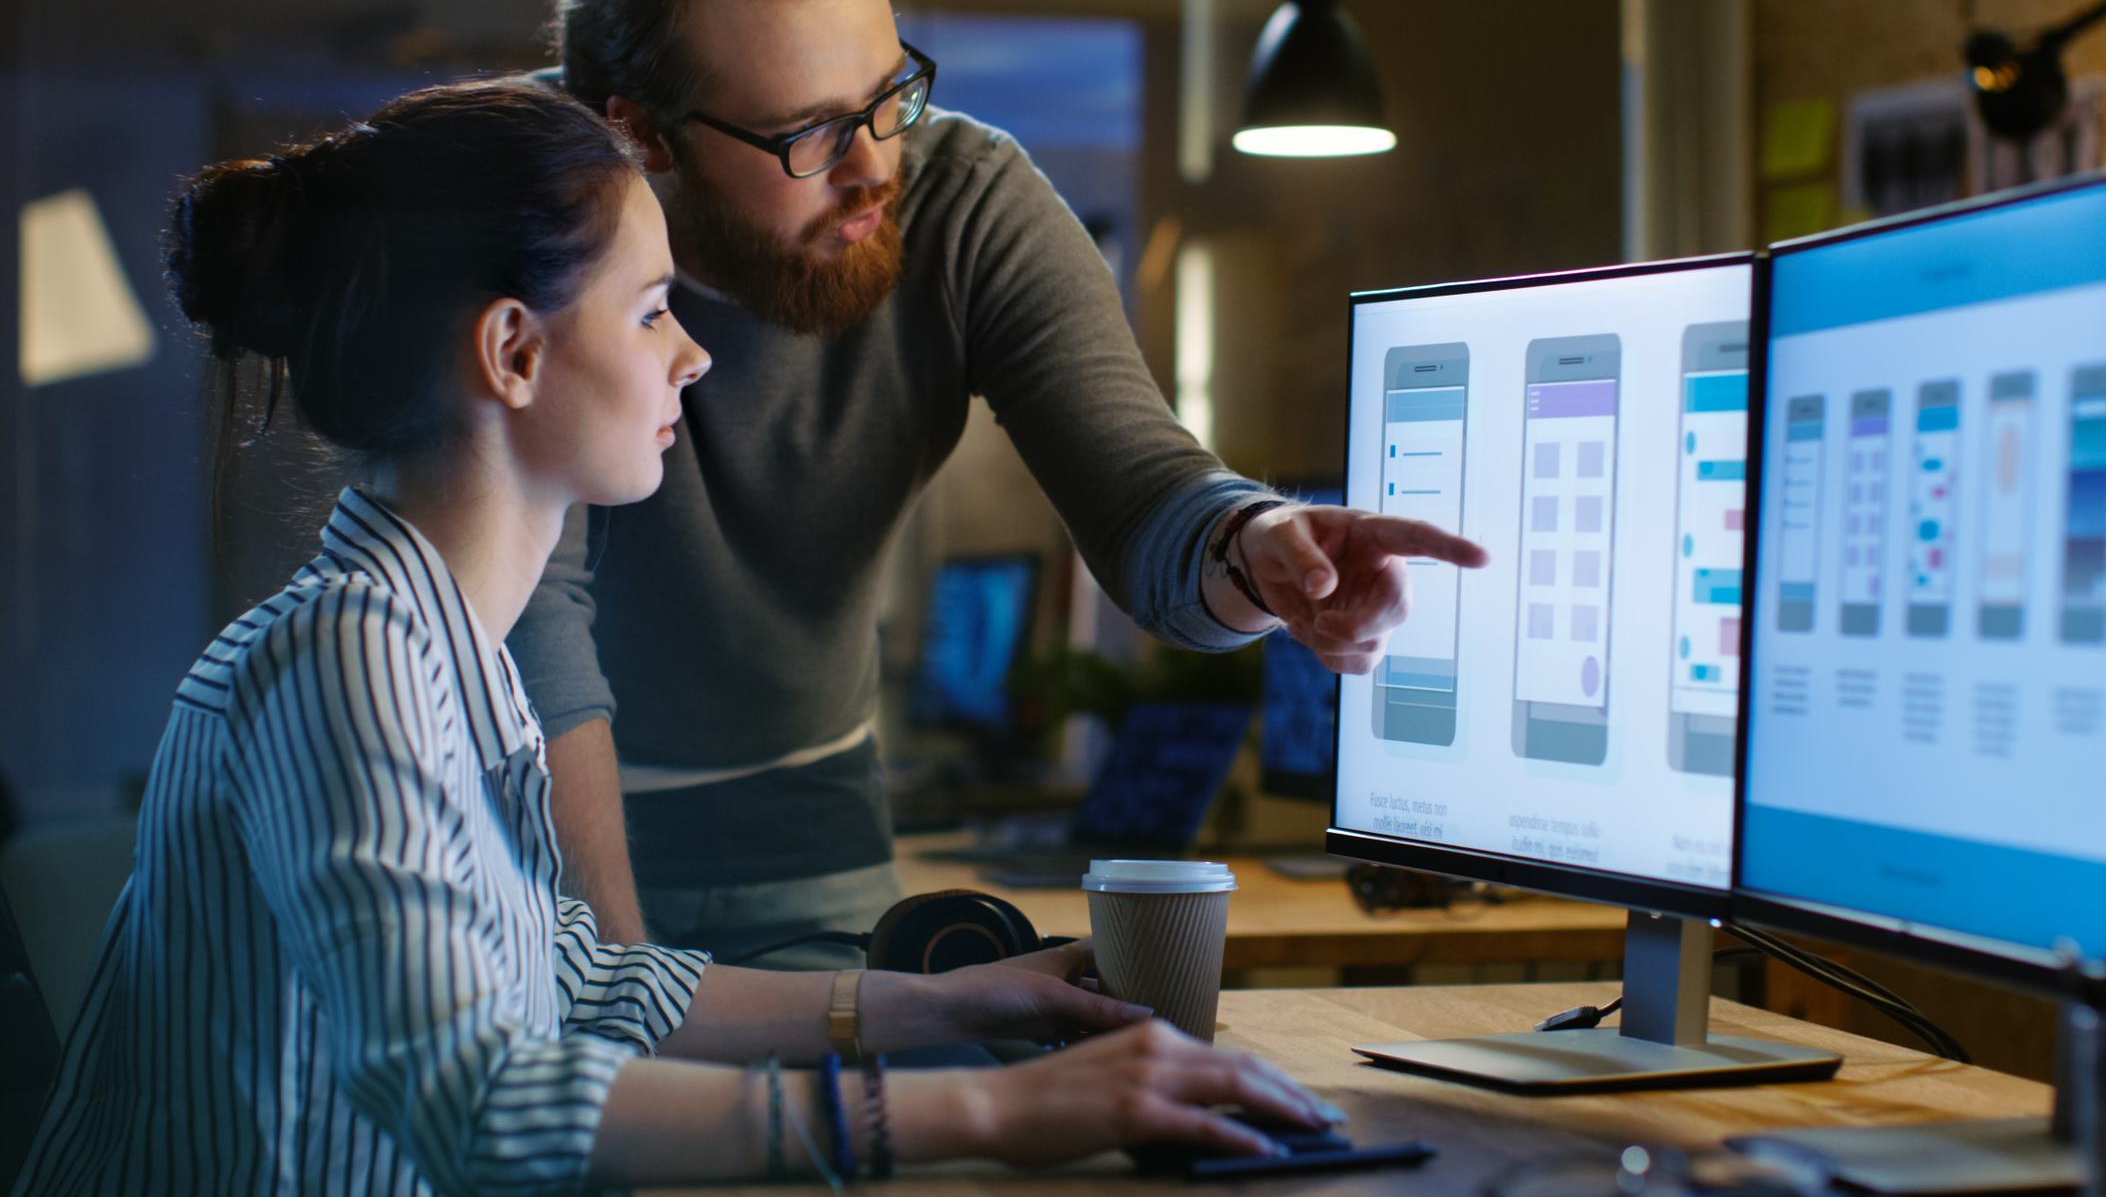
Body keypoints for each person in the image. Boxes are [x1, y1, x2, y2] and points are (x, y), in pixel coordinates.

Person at [12, 81, 1337, 1196]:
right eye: (651, 307)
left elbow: (578, 978)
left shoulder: (437, 644)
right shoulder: (347, 656)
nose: (692, 357)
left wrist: (968, 1003)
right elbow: (476, 1096)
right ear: (515, 353)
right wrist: (989, 1115)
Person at [516, 0, 1489, 960]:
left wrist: (1255, 541)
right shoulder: (511, 207)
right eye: (809, 132)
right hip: (527, 802)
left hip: (806, 809)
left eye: (889, 98)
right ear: (638, 133)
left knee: (890, 1113)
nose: (875, 165)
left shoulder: (967, 202)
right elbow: (539, 633)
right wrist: (625, 984)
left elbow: (1140, 492)